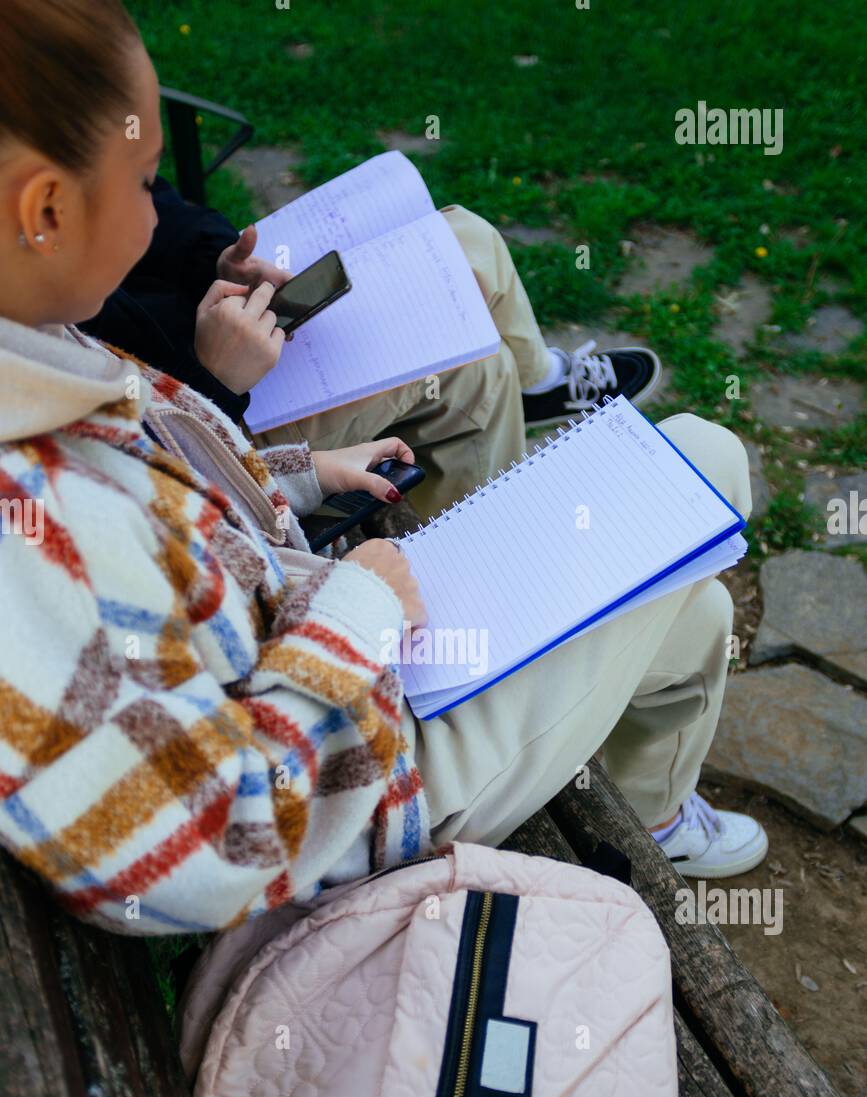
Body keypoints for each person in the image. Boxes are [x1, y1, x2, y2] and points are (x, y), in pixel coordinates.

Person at [0, 0, 767, 939]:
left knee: (699, 609)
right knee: (705, 460)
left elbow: (156, 513)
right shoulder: (23, 518)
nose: (159, 206)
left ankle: (649, 821)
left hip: (330, 651)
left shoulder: (37, 350)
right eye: (146, 182)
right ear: (44, 209)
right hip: (367, 778)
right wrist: (356, 613)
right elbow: (203, 854)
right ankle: (616, 785)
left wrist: (294, 477)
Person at [80, 182, 662, 520]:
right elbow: (139, 465)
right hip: (214, 414)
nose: (141, 199)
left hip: (228, 331)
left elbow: (162, 206)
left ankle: (537, 387)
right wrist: (214, 380)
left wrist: (216, 257)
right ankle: (486, 564)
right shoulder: (36, 331)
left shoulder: (55, 138)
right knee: (480, 366)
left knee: (465, 234)